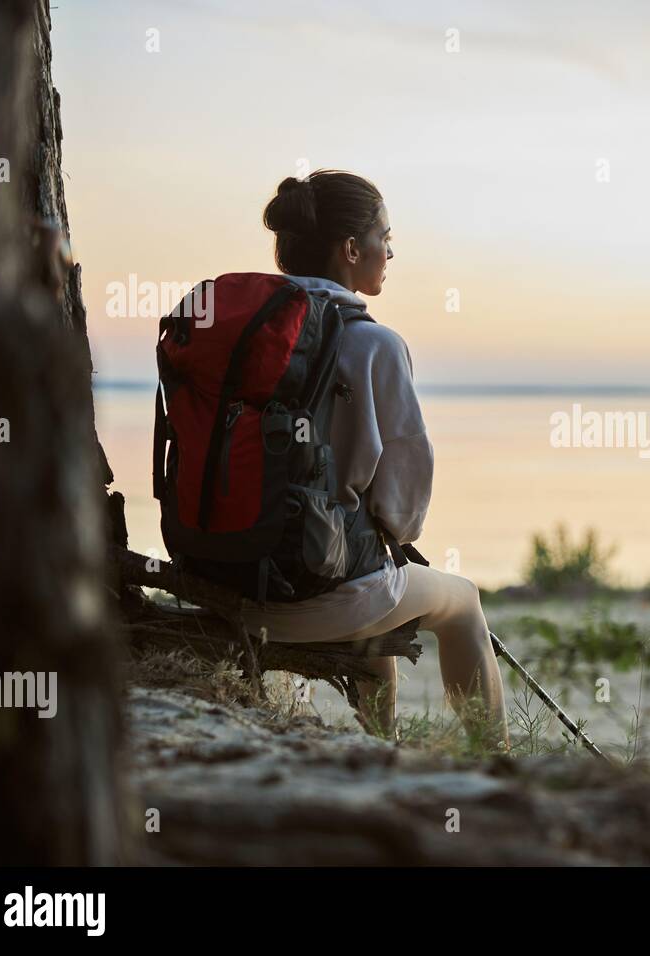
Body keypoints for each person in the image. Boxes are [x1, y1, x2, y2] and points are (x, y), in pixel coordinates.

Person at [240, 169, 507, 748]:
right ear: (352, 249)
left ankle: (378, 747)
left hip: (225, 578)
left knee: (368, 571)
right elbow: (403, 505)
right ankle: (496, 758)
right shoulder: (375, 344)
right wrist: (392, 527)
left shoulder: (249, 333)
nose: (392, 251)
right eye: (385, 236)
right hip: (311, 595)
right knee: (460, 600)